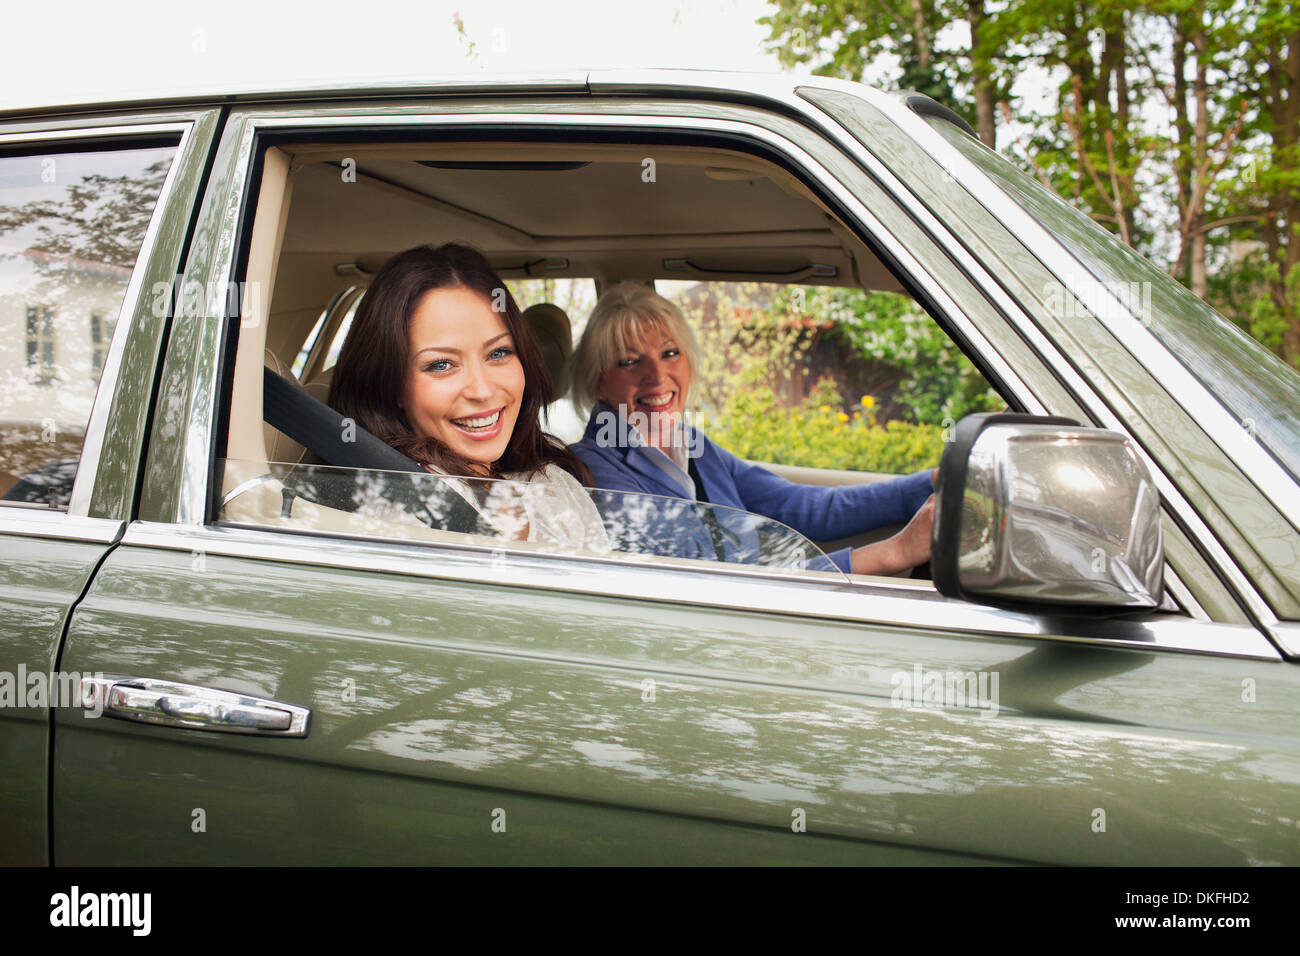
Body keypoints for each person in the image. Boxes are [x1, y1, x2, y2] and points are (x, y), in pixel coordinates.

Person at [568, 282, 936, 575]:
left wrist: (932, 483)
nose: (658, 376)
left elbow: (802, 508)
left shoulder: (691, 445)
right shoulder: (594, 471)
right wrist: (893, 553)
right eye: (630, 361)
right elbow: (713, 586)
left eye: (669, 353)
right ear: (598, 383)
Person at [327, 243, 608, 552]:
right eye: (441, 364)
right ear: (390, 385)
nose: (482, 390)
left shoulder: (553, 483)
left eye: (498, 353)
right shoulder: (393, 514)